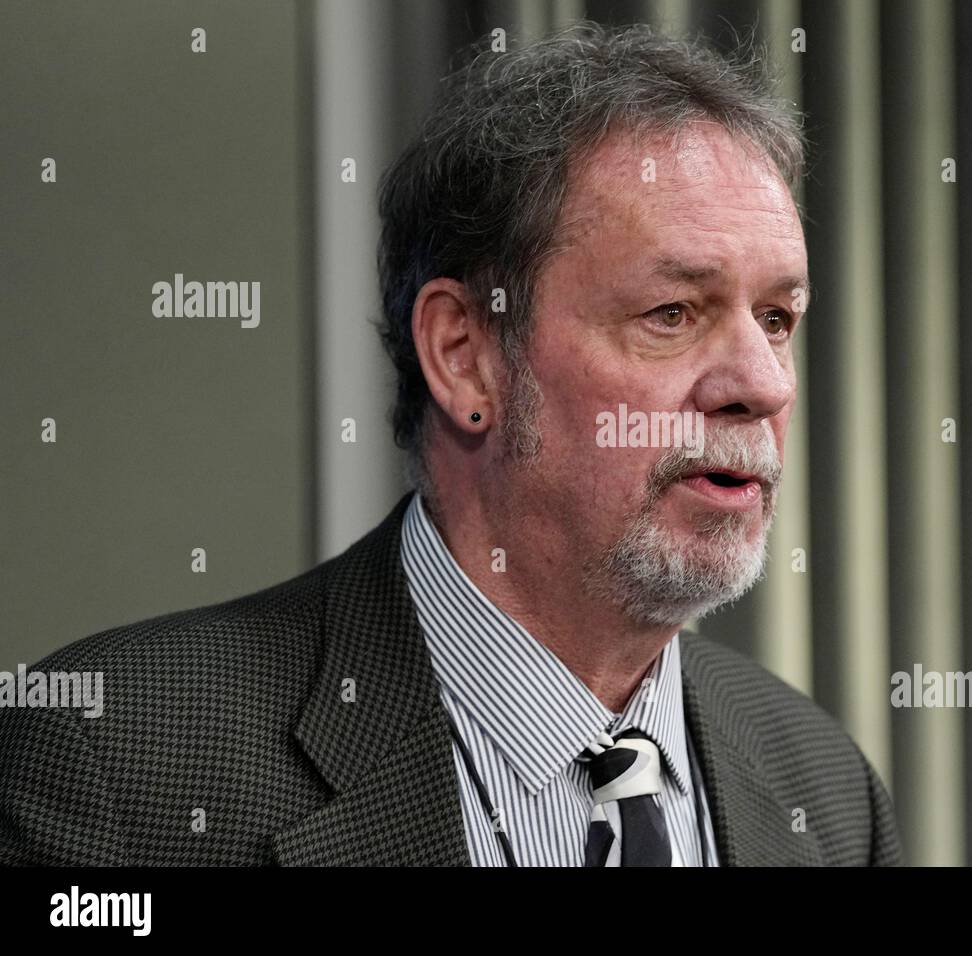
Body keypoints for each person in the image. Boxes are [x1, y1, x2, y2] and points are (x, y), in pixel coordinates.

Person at [0, 21, 901, 867]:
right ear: (465, 357)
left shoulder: (823, 789)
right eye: (671, 314)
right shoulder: (117, 763)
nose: (764, 384)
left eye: (778, 318)